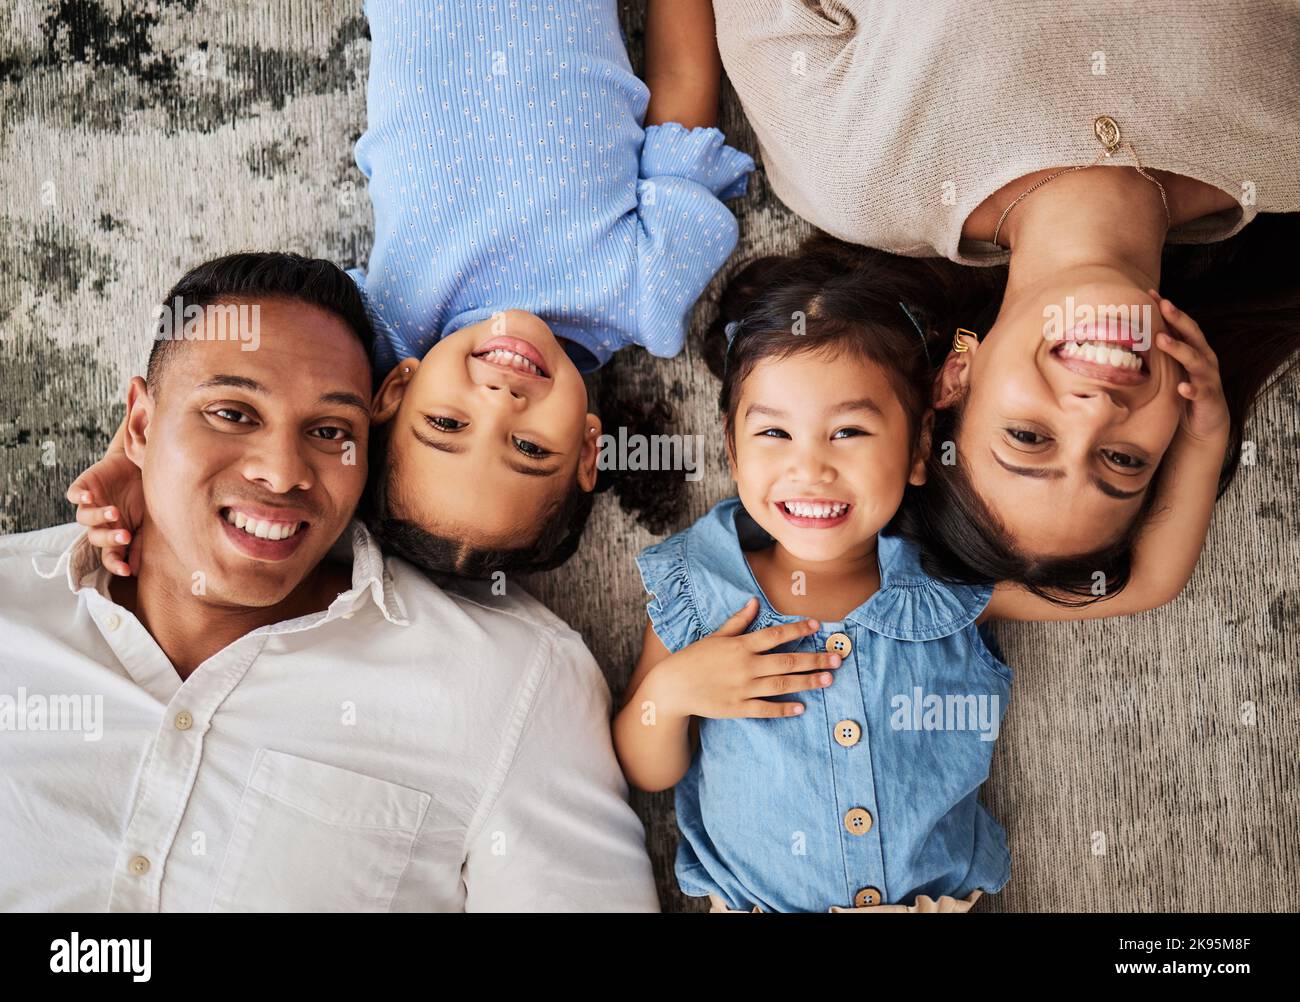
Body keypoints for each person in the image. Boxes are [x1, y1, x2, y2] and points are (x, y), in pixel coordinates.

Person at [0, 253, 659, 912]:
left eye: (328, 431)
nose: (282, 472)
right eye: (233, 413)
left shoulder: (510, 684)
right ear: (140, 426)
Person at [611, 267, 1226, 911]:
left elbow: (1146, 581)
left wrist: (1204, 436)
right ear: (733, 452)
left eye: (849, 432)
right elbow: (644, 768)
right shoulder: (699, 587)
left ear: (919, 448)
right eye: (773, 433)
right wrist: (671, 692)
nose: (810, 467)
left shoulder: (947, 585)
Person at [709, 0, 1300, 595]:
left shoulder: (849, 172)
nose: (1097, 411)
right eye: (1123, 459)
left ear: (956, 375)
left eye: (1028, 437)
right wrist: (1205, 442)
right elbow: (1147, 583)